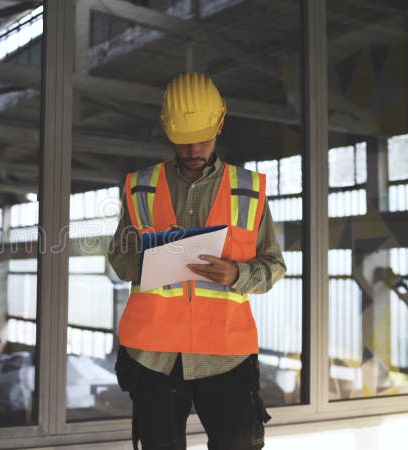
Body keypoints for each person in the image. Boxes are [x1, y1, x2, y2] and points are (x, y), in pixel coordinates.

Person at [109, 72, 287, 450]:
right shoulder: (140, 187)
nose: (193, 150)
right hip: (154, 357)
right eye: (183, 141)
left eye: (202, 139)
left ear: (220, 124)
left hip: (226, 356)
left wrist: (238, 273)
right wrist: (150, 261)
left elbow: (274, 265)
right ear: (167, 131)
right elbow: (118, 258)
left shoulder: (249, 190)